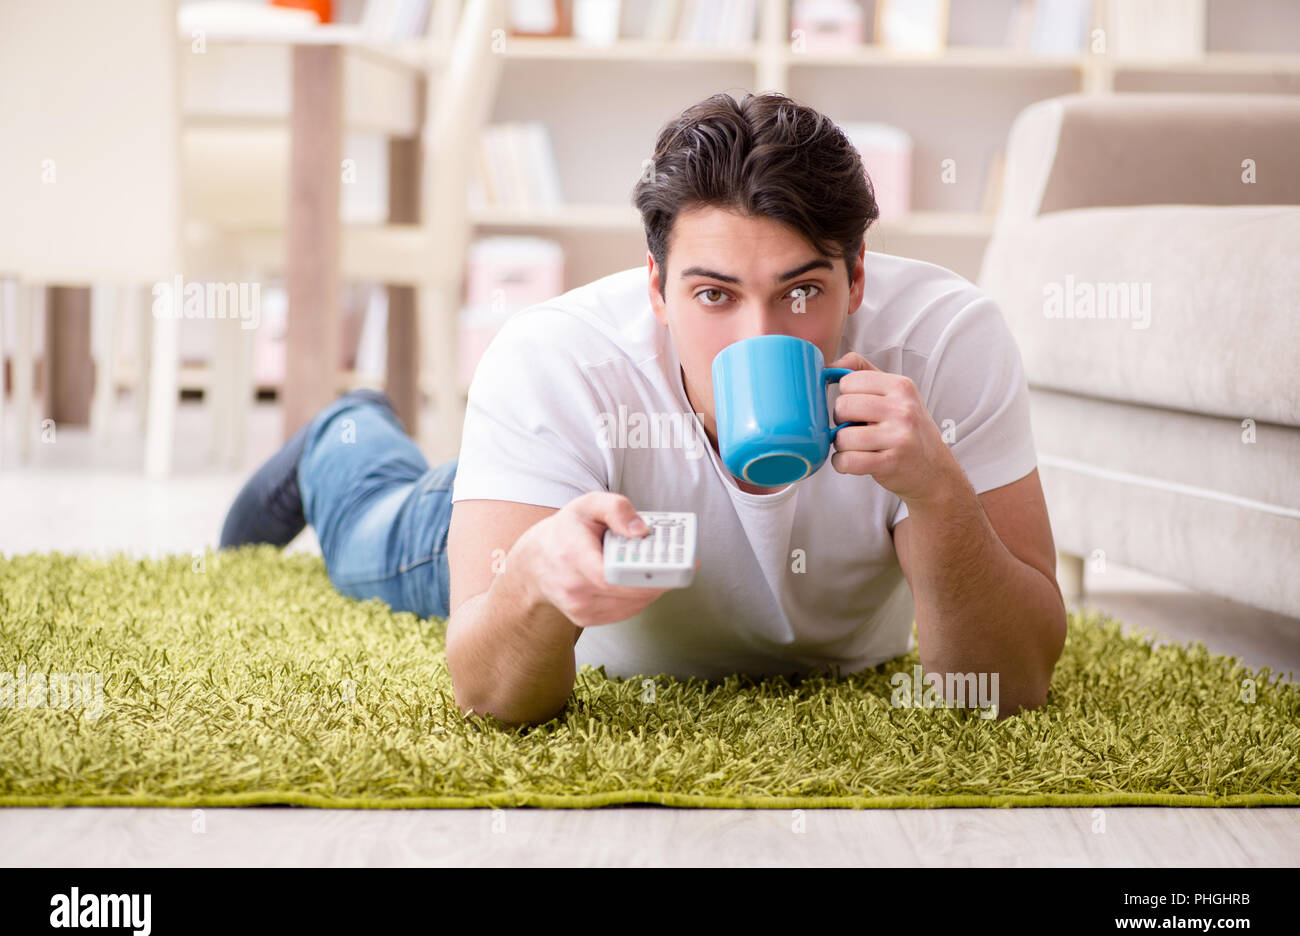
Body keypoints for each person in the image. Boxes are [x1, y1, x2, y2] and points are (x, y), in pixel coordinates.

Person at [221, 91, 1066, 729]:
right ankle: (344, 434)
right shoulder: (558, 358)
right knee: (374, 529)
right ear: (657, 289)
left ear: (858, 279)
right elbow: (487, 694)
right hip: (529, 500)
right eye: (714, 293)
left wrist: (939, 492)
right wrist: (537, 579)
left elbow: (1006, 686)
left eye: (802, 290)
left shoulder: (947, 346)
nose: (757, 334)